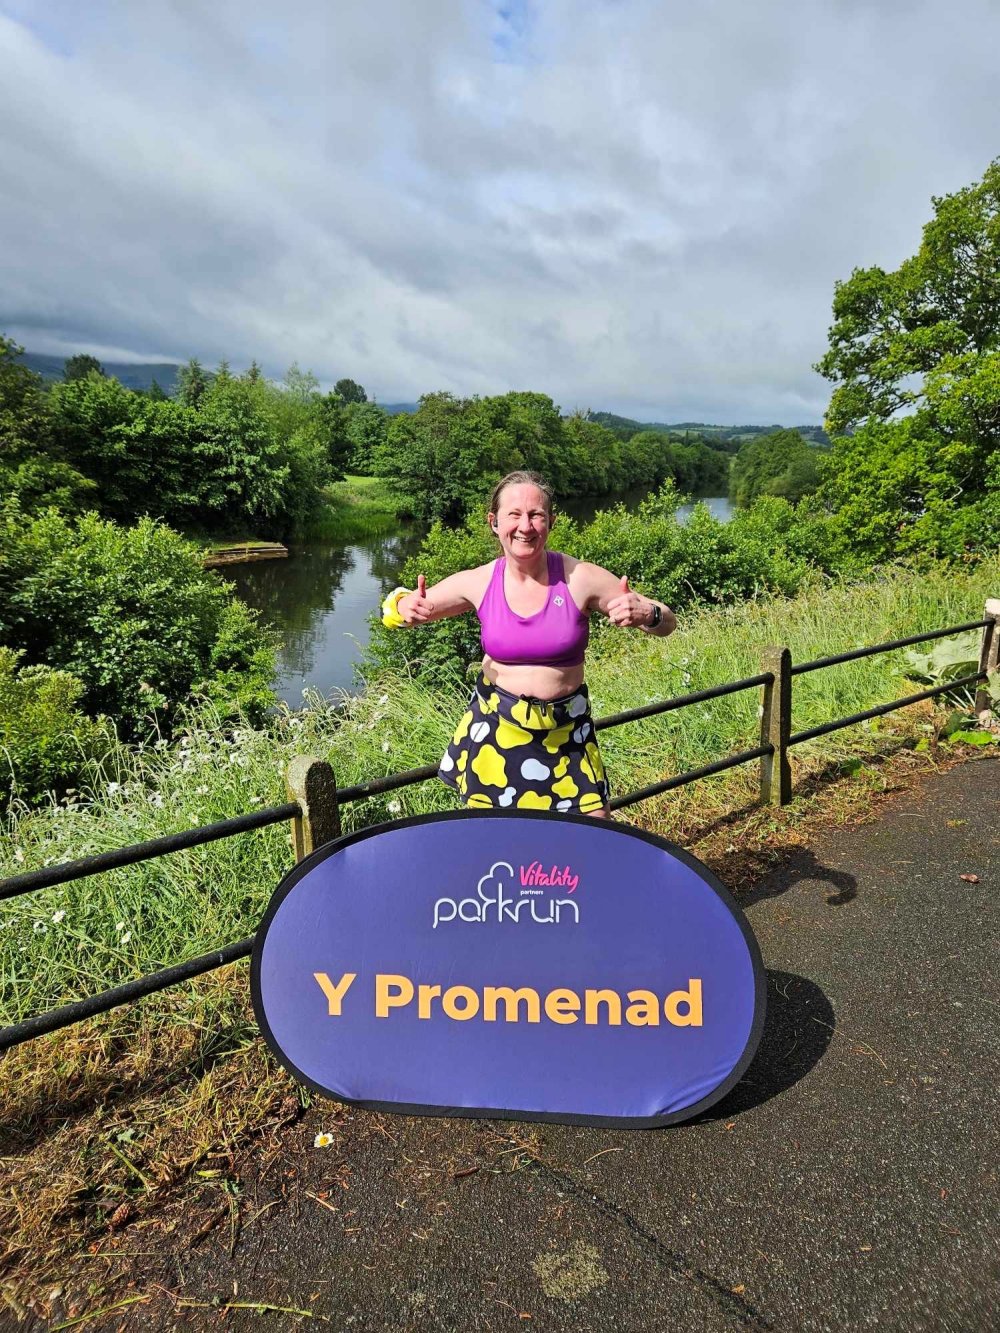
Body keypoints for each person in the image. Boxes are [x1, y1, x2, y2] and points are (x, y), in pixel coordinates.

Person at [381, 471, 676, 816]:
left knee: (591, 838)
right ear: (494, 522)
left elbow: (667, 622)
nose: (526, 526)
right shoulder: (479, 581)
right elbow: (398, 607)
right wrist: (402, 605)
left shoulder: (579, 577)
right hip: (496, 731)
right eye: (514, 515)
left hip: (566, 735)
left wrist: (648, 613)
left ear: (550, 521)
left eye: (536, 515)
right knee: (496, 843)